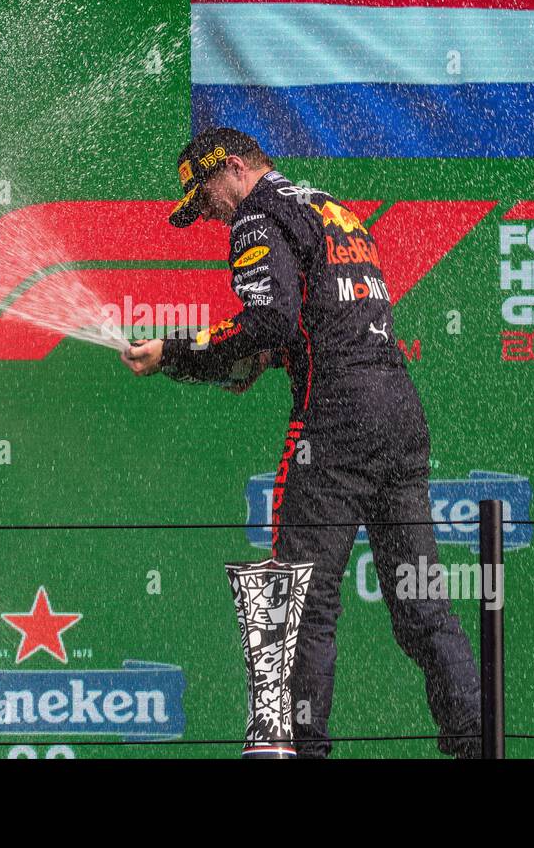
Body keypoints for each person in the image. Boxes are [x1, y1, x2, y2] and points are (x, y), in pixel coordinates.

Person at [122, 128, 482, 758]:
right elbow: (308, 323)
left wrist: (176, 349)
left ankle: (299, 751)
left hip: (336, 420)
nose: (208, 213)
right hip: (399, 413)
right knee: (424, 602)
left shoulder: (258, 217)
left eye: (206, 196)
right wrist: (245, 358)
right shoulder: (329, 208)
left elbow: (271, 321)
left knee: (300, 605)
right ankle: (481, 742)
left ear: (233, 168)